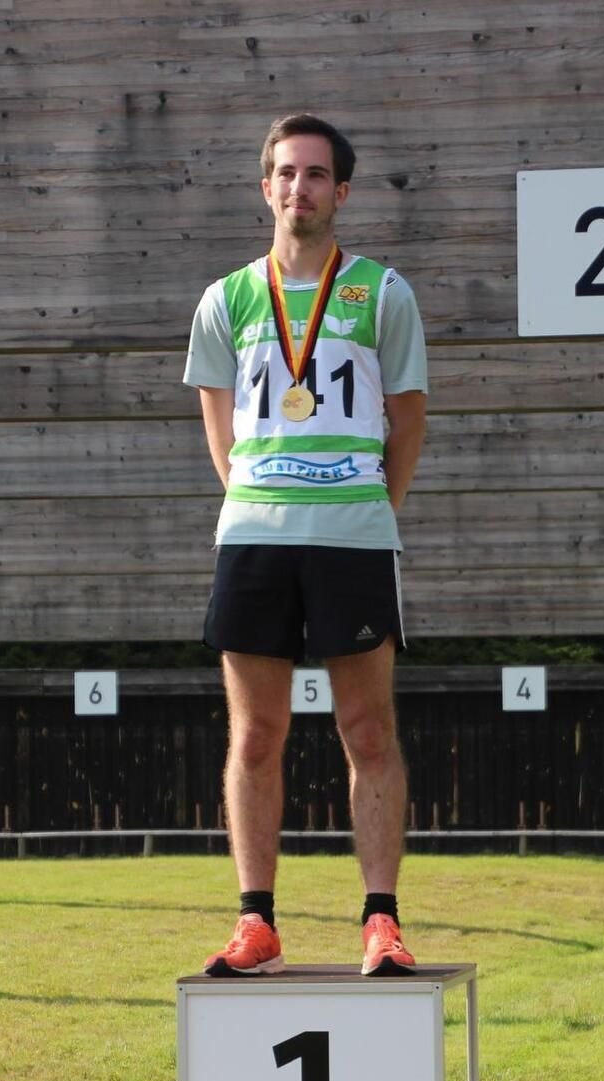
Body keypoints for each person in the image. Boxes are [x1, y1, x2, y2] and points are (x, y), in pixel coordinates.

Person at [183, 113, 429, 977]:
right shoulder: (226, 299)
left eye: (317, 175)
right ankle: (256, 921)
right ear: (266, 188)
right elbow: (220, 432)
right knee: (255, 735)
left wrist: (367, 507)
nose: (300, 188)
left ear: (342, 192)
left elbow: (408, 421)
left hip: (354, 535)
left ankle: (381, 919)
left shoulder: (382, 293)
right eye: (286, 173)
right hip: (254, 534)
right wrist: (261, 500)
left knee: (367, 728)